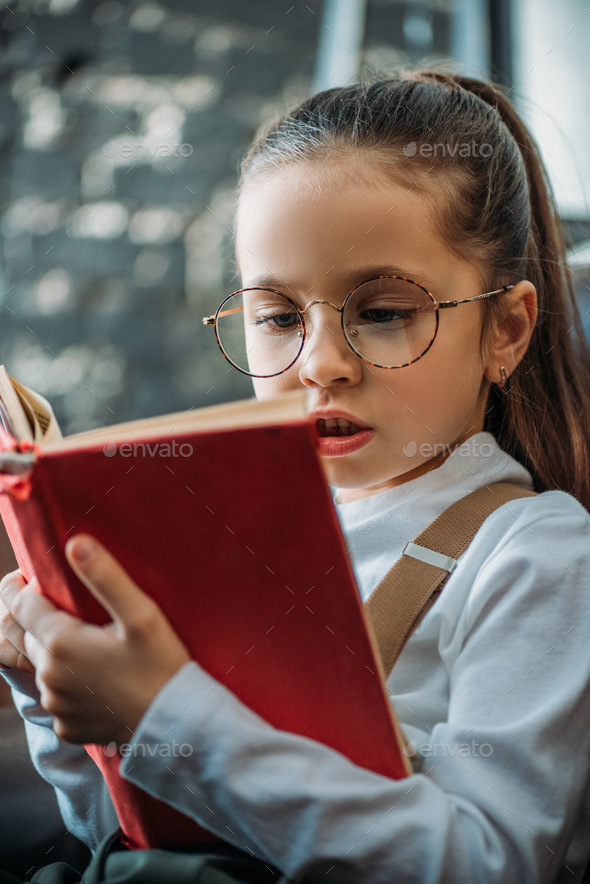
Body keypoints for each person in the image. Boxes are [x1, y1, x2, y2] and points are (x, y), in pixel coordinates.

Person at [2, 68, 590, 883]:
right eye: (277, 317)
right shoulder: (230, 535)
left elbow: (482, 864)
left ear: (507, 330)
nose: (321, 364)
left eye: (384, 313)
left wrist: (166, 715)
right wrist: (56, 687)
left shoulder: (536, 553)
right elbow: (133, 836)